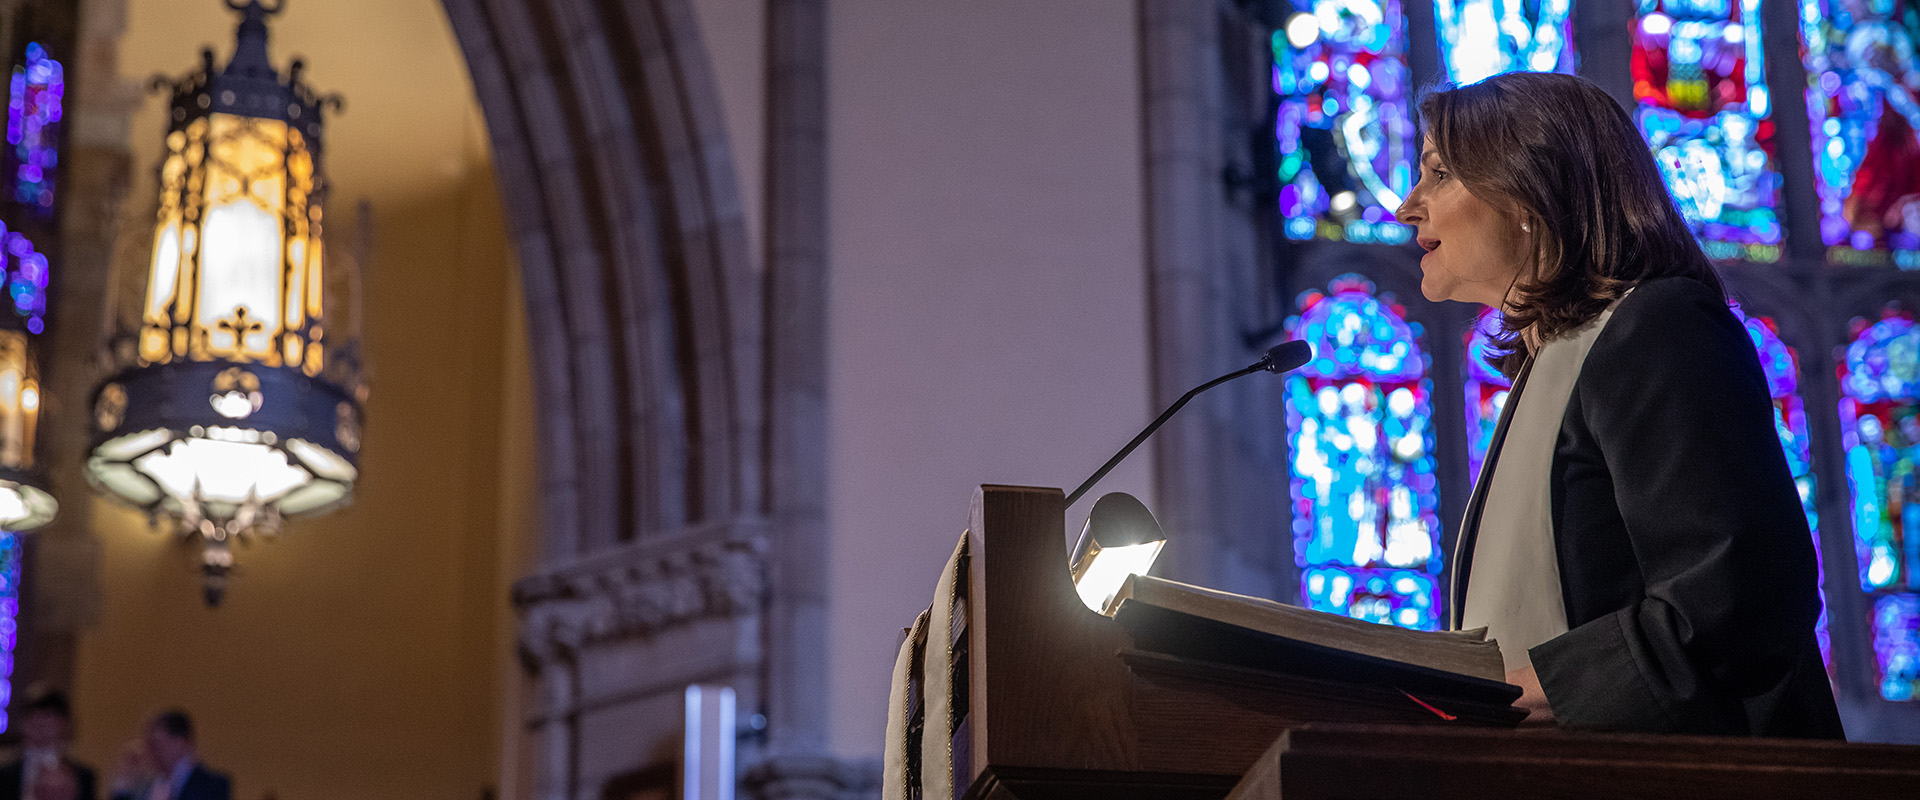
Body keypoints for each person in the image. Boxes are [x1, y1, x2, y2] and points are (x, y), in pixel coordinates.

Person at [1392, 71, 1844, 737]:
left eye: (1438, 173)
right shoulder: (1547, 370)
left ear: (1529, 189)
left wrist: (1510, 694)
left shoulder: (1659, 327)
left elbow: (1737, 597)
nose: (1408, 206)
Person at [0, 688, 97, 800]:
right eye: (32, 715)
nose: (39, 722)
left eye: (48, 715)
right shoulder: (5, 774)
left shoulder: (83, 776)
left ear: (64, 723)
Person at [108, 711, 229, 800]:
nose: (148, 752)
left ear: (179, 743)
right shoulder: (146, 785)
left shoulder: (212, 786)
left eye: (155, 745)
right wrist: (125, 779)